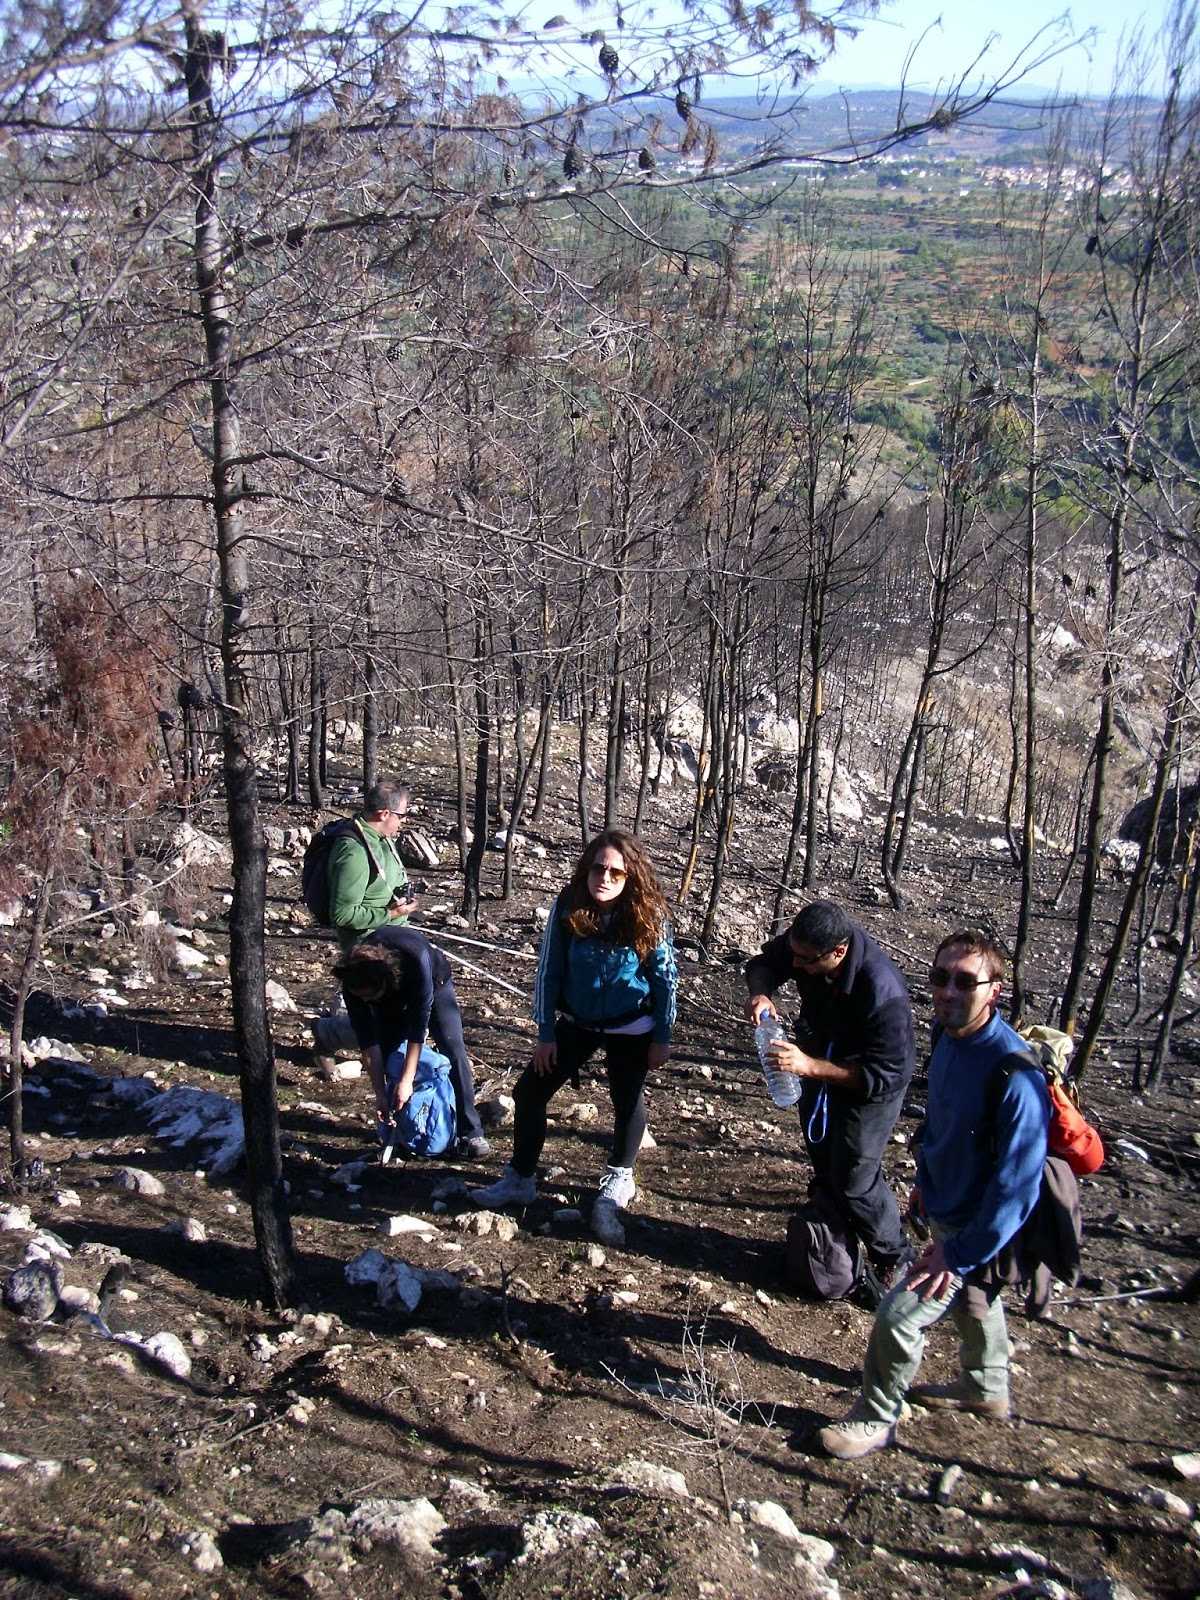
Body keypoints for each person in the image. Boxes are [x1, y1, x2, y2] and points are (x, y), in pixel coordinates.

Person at [818, 929, 1051, 1460]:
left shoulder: (1014, 1075)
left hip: (983, 1226)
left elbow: (1018, 1187)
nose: (947, 991)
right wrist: (924, 1185)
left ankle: (876, 1416)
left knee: (899, 1316)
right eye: (940, 977)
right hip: (948, 1211)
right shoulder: (949, 1038)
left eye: (965, 981)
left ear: (995, 990)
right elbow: (944, 1122)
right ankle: (986, 1387)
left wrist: (960, 1250)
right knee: (975, 1301)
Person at [469, 829, 677, 1248]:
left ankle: (620, 1175)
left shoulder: (648, 914)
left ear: (630, 877)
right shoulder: (568, 907)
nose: (604, 877)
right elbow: (549, 972)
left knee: (626, 1098)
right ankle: (520, 1179)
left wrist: (662, 1034)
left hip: (631, 1023)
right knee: (530, 1091)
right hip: (578, 1020)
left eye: (616, 872)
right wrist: (545, 1033)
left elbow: (665, 978)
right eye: (597, 868)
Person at [743, 899, 916, 1298]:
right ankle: (833, 1247)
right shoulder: (807, 946)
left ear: (838, 952)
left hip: (872, 1083)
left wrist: (811, 1067)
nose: (797, 966)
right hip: (818, 1055)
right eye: (795, 955)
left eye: (806, 962)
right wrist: (761, 994)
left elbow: (882, 1074)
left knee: (855, 1174)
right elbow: (764, 963)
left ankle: (894, 1256)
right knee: (824, 1158)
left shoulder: (881, 990)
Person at [332, 927, 491, 1160]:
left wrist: (407, 1081)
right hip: (388, 1003)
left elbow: (418, 1033)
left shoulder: (416, 961)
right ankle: (404, 1131)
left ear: (383, 984)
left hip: (436, 985)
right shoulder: (354, 981)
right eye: (361, 997)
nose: (364, 1001)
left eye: (368, 996)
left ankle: (471, 1131)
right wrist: (379, 1094)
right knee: (392, 1059)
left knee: (452, 1048)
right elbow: (368, 1044)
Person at [314, 780, 419, 1072]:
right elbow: (343, 913)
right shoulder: (354, 851)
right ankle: (327, 1034)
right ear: (384, 814)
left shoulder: (381, 838)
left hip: (392, 941)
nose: (404, 821)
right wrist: (390, 914)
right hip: (369, 951)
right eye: (402, 815)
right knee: (387, 1019)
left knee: (398, 1013)